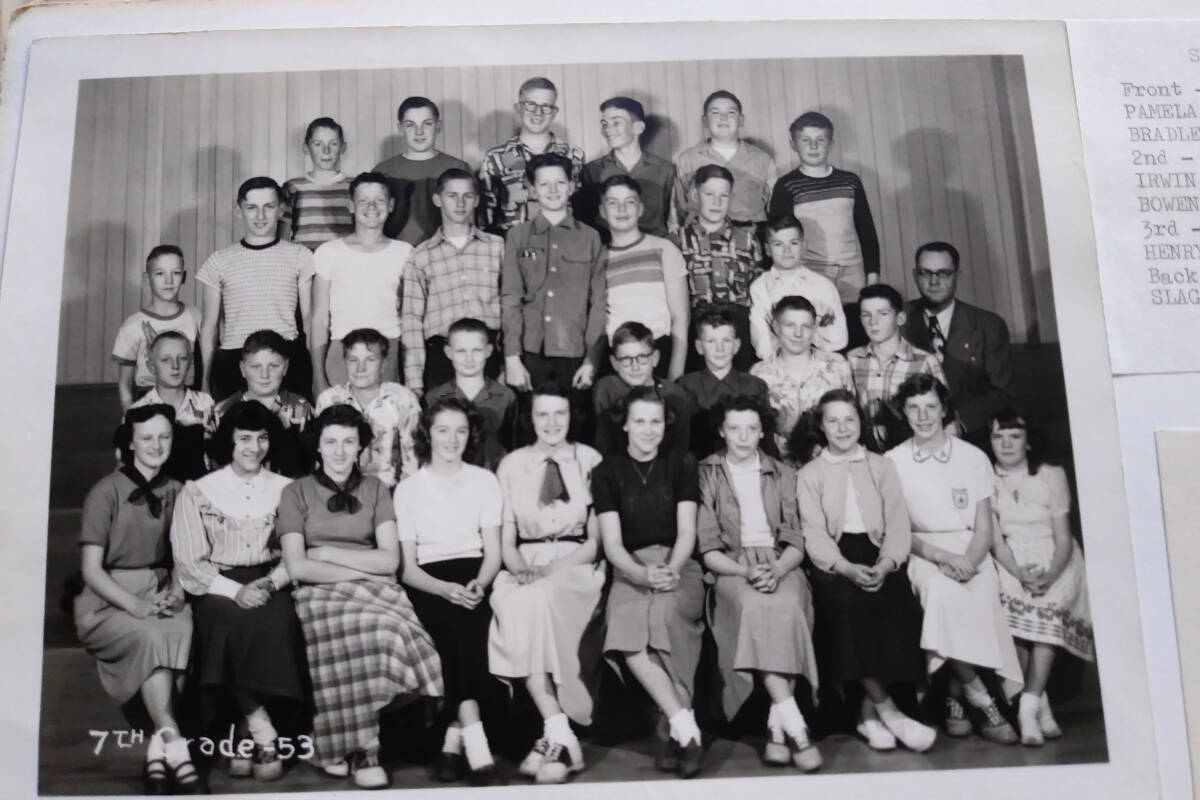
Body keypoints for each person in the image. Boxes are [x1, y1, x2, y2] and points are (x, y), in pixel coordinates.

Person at [278, 404, 444, 790]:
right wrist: (362, 570)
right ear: (317, 446)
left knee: (392, 630)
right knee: (366, 627)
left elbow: (389, 560)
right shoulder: (295, 491)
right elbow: (298, 567)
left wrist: (327, 553)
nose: (339, 451)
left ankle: (347, 742)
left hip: (374, 587)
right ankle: (366, 745)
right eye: (331, 442)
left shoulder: (376, 489)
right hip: (318, 593)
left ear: (360, 448)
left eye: (348, 442)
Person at [170, 401, 308, 784]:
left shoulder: (287, 489)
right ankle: (262, 730)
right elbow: (189, 563)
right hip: (216, 583)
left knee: (278, 622)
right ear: (229, 441)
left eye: (262, 438)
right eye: (244, 438)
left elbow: (297, 552)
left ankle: (243, 733)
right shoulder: (198, 491)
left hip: (270, 579)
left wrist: (272, 583)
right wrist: (235, 591)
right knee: (226, 623)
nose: (254, 447)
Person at [885, 374, 1023, 744]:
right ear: (903, 412)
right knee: (941, 593)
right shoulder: (892, 460)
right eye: (914, 408)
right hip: (923, 551)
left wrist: (969, 561)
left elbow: (984, 528)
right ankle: (980, 695)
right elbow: (898, 530)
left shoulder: (973, 457)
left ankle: (953, 695)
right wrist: (941, 557)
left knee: (981, 592)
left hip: (971, 550)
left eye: (931, 407)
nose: (923, 416)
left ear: (944, 409)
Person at [797, 389, 935, 753]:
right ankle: (889, 712)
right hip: (835, 560)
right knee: (849, 606)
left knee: (897, 603)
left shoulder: (882, 466)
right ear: (821, 427)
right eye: (833, 421)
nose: (842, 428)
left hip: (879, 553)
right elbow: (814, 534)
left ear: (861, 422)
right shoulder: (810, 474)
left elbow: (898, 525)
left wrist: (886, 564)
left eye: (850, 419)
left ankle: (867, 713)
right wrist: (844, 568)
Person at [74, 404, 198, 794]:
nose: (156, 445)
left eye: (164, 437)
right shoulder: (105, 491)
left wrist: (176, 594)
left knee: (181, 629)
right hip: (109, 598)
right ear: (131, 443)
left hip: (159, 590)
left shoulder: (179, 489)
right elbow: (91, 570)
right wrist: (135, 605)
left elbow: (183, 558)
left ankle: (158, 753)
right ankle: (174, 738)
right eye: (147, 438)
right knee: (151, 635)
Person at [696, 396, 822, 771]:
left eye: (751, 428)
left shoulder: (782, 473)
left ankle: (776, 728)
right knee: (753, 606)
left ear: (762, 432)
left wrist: (778, 569)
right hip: (732, 565)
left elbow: (796, 540)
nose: (743, 436)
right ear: (722, 431)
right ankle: (794, 723)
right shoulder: (705, 473)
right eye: (734, 428)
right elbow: (708, 548)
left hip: (779, 561)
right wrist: (744, 572)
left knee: (788, 606)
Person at [488, 383, 606, 784]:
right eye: (542, 414)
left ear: (572, 416)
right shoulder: (511, 465)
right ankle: (559, 733)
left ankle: (553, 734)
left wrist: (552, 569)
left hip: (576, 564)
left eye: (560, 414)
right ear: (530, 419)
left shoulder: (589, 459)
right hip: (526, 561)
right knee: (514, 601)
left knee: (537, 599)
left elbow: (596, 540)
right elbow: (507, 541)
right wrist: (522, 568)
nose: (552, 423)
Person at [593, 385, 706, 778]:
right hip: (631, 567)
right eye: (639, 421)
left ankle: (677, 732)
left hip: (678, 561)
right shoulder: (606, 471)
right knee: (626, 628)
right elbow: (612, 544)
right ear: (625, 425)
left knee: (665, 617)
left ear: (665, 424)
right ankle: (685, 727)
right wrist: (640, 574)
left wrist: (672, 567)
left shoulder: (682, 463)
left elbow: (687, 531)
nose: (648, 429)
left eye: (655, 421)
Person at [394, 397, 505, 785]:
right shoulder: (408, 489)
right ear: (428, 434)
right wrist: (444, 589)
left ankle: (452, 743)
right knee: (456, 627)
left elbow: (493, 553)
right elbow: (406, 568)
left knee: (471, 625)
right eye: (443, 430)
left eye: (460, 430)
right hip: (430, 581)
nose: (452, 439)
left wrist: (480, 583)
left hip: (476, 575)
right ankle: (476, 742)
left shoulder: (485, 481)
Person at [987, 409, 1094, 746]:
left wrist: (1049, 575)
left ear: (1029, 442)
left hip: (1055, 557)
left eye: (1015, 436)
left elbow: (1063, 538)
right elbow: (995, 540)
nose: (1006, 444)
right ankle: (1039, 705)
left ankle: (1027, 707)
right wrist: (1018, 572)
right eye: (998, 436)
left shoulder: (1051, 475)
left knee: (1047, 609)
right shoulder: (985, 477)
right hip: (1010, 558)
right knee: (1012, 618)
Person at [197, 176, 315, 401]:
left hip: (286, 358)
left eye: (268, 207)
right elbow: (209, 328)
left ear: (281, 210)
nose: (260, 216)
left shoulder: (300, 256)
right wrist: (204, 382)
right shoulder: (219, 261)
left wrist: (316, 373)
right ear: (239, 211)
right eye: (252, 207)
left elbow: (309, 321)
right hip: (235, 359)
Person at [769, 112, 880, 347]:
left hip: (853, 272)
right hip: (813, 271)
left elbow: (867, 231)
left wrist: (872, 278)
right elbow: (780, 237)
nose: (813, 146)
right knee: (819, 336)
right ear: (793, 144)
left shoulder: (850, 181)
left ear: (831, 143)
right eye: (806, 140)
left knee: (856, 335)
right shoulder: (787, 185)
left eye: (820, 140)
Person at [501, 152, 606, 395]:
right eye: (544, 184)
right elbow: (511, 298)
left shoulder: (590, 237)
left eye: (560, 182)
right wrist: (512, 356)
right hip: (529, 352)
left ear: (571, 186)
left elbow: (599, 302)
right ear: (532, 189)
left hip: (575, 352)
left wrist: (591, 360)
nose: (553, 190)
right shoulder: (518, 236)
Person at [400, 169, 504, 394]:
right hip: (442, 357)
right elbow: (411, 321)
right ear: (438, 200)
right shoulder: (421, 256)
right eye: (452, 196)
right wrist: (415, 383)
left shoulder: (497, 247)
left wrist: (508, 362)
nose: (460, 203)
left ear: (477, 200)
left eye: (467, 196)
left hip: (489, 354)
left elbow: (511, 306)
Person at [903, 241, 1014, 448]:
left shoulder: (988, 325)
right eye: (925, 273)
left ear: (957, 275)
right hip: (910, 439)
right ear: (915, 275)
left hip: (970, 439)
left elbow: (1002, 393)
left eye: (943, 273)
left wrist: (959, 425)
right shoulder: (898, 319)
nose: (934, 281)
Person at [310, 171, 412, 394]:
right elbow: (319, 319)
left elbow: (411, 316)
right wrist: (317, 377)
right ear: (351, 206)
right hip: (341, 350)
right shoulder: (328, 252)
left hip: (388, 350)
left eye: (379, 200)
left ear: (391, 205)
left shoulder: (405, 253)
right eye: (363, 200)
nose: (372, 207)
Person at [672, 164, 764, 373]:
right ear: (695, 195)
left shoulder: (748, 240)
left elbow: (758, 293)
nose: (717, 202)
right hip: (694, 329)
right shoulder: (677, 240)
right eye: (709, 194)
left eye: (724, 196)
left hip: (738, 329)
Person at [599, 175, 690, 380]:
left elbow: (680, 318)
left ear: (640, 209)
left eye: (629, 202)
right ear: (602, 211)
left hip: (659, 352)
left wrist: (675, 374)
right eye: (613, 203)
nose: (622, 209)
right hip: (617, 357)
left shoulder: (664, 250)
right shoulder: (598, 258)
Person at [315, 328, 420, 487]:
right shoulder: (329, 401)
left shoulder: (403, 400)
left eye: (370, 360)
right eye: (353, 360)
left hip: (389, 493)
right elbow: (321, 459)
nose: (360, 368)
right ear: (344, 362)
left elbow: (413, 463)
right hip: (340, 493)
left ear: (383, 364)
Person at [751, 295, 853, 460]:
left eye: (805, 326)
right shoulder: (759, 373)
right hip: (778, 466)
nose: (798, 333)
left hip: (831, 463)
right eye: (790, 325)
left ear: (814, 328)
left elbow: (852, 417)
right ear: (776, 327)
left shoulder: (837, 366)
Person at [846, 283, 947, 449]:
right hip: (867, 455)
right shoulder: (852, 360)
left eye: (883, 314)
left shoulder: (925, 361)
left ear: (900, 318)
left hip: (913, 451)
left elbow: (945, 417)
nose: (873, 322)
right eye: (866, 315)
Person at [479, 76, 585, 235]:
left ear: (554, 113)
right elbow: (485, 218)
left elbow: (582, 212)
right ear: (518, 108)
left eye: (546, 106)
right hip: (512, 244)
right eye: (531, 105)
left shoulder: (574, 156)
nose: (538, 112)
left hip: (563, 243)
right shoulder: (495, 158)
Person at [112, 245, 201, 411]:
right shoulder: (132, 325)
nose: (169, 281)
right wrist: (129, 417)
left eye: (176, 273)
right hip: (148, 401)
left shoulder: (196, 317)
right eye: (160, 273)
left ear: (184, 277)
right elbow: (125, 383)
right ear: (147, 278)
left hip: (188, 400)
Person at [213, 330, 312, 478]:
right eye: (255, 367)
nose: (264, 375)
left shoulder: (300, 408)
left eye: (273, 366)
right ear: (243, 369)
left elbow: (308, 462)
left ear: (285, 367)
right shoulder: (223, 411)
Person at [373, 96, 470, 246]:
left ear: (438, 126)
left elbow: (470, 223)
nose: (419, 132)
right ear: (400, 128)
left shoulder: (458, 168)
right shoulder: (383, 171)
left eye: (427, 124)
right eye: (410, 125)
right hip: (396, 253)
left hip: (446, 253)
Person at [676, 306, 770, 459]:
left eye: (726, 341)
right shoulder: (685, 386)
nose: (719, 348)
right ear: (699, 347)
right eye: (711, 341)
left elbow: (766, 442)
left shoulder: (755, 386)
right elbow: (679, 442)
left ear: (736, 346)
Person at [673, 90, 776, 229]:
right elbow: (679, 208)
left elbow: (772, 208)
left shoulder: (762, 160)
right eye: (715, 113)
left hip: (751, 237)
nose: (723, 118)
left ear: (741, 120)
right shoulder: (688, 160)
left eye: (731, 112)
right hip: (702, 238)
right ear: (705, 121)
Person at [424, 317, 517, 471]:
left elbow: (513, 447)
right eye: (461, 351)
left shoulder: (506, 397)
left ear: (488, 351)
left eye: (476, 350)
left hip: (494, 478)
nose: (469, 359)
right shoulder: (434, 398)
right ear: (448, 352)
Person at [575, 96, 675, 238]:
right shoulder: (592, 171)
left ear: (638, 128)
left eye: (616, 123)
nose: (608, 129)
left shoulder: (666, 170)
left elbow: (673, 219)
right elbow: (586, 220)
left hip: (654, 247)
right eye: (604, 124)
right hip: (609, 247)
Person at [749, 215, 847, 358]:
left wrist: (782, 334)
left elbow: (839, 341)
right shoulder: (760, 288)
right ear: (767, 249)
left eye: (793, 243)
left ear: (803, 246)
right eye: (778, 244)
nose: (787, 250)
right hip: (778, 364)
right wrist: (814, 329)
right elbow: (763, 347)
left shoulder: (823, 286)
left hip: (820, 363)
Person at [592, 321, 694, 457]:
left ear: (655, 358)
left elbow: (679, 449)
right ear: (615, 363)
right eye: (626, 359)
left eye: (642, 357)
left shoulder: (676, 395)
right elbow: (603, 445)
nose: (635, 367)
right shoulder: (607, 389)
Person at [130, 331, 216, 482]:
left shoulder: (205, 404)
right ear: (151, 366)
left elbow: (217, 456)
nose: (175, 366)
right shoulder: (138, 410)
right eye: (165, 360)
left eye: (182, 358)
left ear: (190, 363)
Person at [281, 117, 355, 251]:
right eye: (318, 144)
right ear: (306, 148)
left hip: (344, 260)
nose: (326, 150)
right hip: (305, 261)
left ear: (343, 147)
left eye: (333, 143)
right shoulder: (292, 187)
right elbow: (282, 237)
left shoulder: (355, 186)